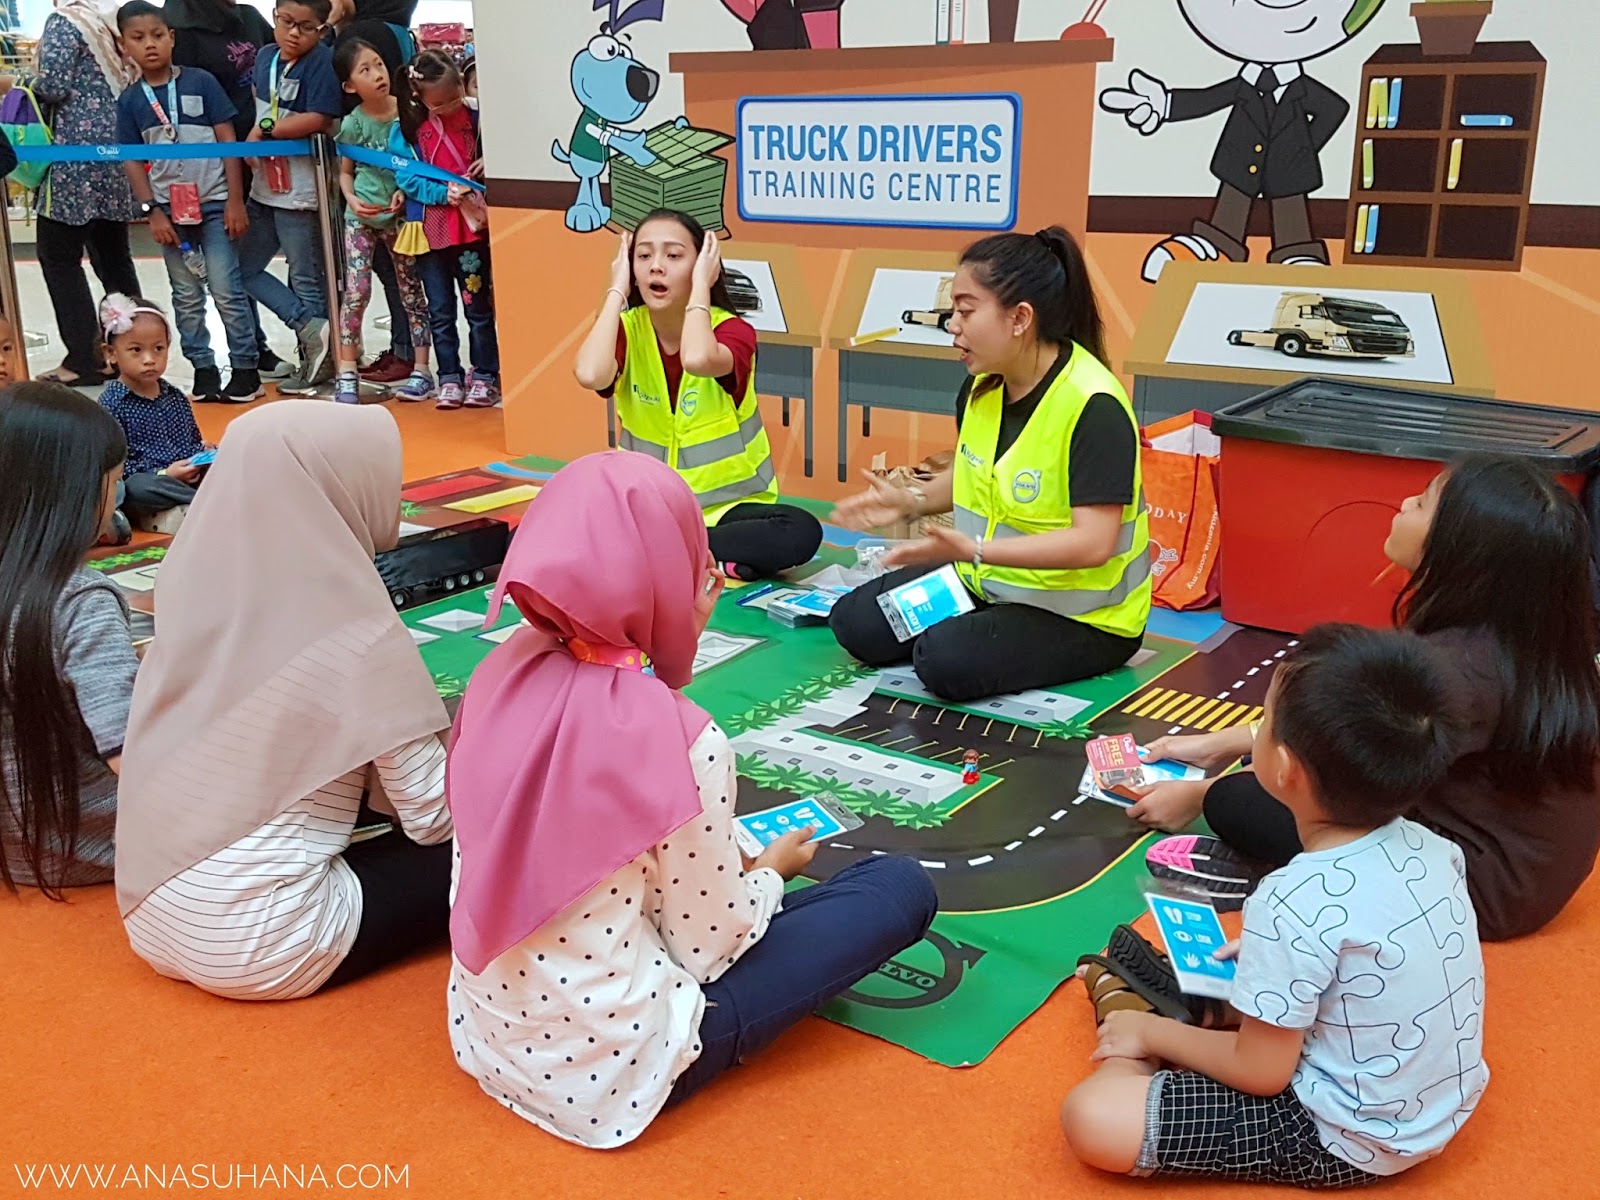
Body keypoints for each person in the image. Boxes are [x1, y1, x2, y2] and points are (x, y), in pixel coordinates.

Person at [446, 450, 937, 1147]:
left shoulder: (496, 676)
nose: (706, 589)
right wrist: (769, 873)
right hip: (613, 1072)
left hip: (488, 1036)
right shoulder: (682, 739)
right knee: (896, 887)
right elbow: (711, 947)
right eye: (696, 571)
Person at [1060, 624, 1487, 1187]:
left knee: (1092, 1117)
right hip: (1438, 1102)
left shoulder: (1290, 900)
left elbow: (1261, 1072)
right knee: (1250, 987)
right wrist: (1275, 963)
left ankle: (1147, 1023)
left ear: (1283, 768)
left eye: (1262, 722)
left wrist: (1148, 1041)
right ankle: (1213, 1008)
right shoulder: (1435, 848)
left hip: (1345, 1136)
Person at [1136, 454, 1600, 941]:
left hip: (1477, 892)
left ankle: (1293, 883)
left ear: (1459, 551)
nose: (1402, 505)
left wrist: (1200, 793)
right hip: (1529, 874)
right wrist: (1223, 743)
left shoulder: (1454, 668)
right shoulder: (1529, 636)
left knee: (1244, 800)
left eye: (1420, 504)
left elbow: (1341, 764)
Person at [115, 401, 453, 999]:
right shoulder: (351, 623)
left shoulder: (191, 590)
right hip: (268, 942)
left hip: (150, 913)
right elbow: (434, 816)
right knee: (507, 849)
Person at [827, 227, 1149, 702]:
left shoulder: (1093, 405)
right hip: (987, 584)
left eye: (965, 309)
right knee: (857, 624)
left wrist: (973, 551)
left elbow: (1093, 543)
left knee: (943, 662)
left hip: (1082, 617)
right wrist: (910, 501)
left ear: (1019, 318)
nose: (951, 324)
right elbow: (976, 472)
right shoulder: (983, 386)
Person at [573, 210, 822, 579]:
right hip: (648, 506)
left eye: (673, 256)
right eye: (643, 256)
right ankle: (707, 558)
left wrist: (702, 288)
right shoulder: (625, 329)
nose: (656, 267)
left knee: (800, 530)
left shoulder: (734, 331)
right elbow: (590, 374)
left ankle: (664, 550)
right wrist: (616, 291)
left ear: (702, 266)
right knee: (573, 510)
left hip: (725, 509)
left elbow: (697, 358)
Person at [0, 381, 137, 896]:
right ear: (76, 493)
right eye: (115, 484)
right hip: (96, 845)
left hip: (14, 847)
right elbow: (131, 751)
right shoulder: (80, 598)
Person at [115, 1, 260, 403]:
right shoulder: (130, 101)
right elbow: (131, 161)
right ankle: (203, 367)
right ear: (124, 45)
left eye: (158, 36)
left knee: (227, 288)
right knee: (186, 295)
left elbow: (228, 141)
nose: (150, 45)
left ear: (172, 38)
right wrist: (152, 210)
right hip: (169, 213)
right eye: (138, 38)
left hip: (215, 204)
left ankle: (245, 366)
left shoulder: (201, 82)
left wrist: (235, 199)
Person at [162, 0, 294, 382]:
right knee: (218, 271)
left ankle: (255, 349)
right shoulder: (179, 28)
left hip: (262, 148)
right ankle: (243, 352)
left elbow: (276, 70)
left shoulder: (249, 18)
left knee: (240, 260)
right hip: (210, 164)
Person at [31, 0, 144, 387]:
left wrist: (27, 84)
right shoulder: (112, 22)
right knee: (114, 259)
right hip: (116, 157)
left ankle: (84, 357)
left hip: (72, 158)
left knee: (59, 257)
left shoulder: (65, 21)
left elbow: (53, 85)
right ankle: (133, 350)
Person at [237, 0, 340, 394]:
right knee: (243, 267)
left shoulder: (323, 63)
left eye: (306, 27)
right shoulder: (265, 58)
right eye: (286, 22)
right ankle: (308, 327)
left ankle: (316, 368)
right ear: (274, 16)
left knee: (306, 277)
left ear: (321, 29)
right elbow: (263, 104)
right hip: (265, 187)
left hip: (302, 191)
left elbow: (319, 118)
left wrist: (263, 130)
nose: (294, 32)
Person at [393, 51, 498, 409]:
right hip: (430, 232)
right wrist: (443, 193)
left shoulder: (478, 118)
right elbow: (406, 177)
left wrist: (491, 161)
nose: (451, 106)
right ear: (419, 98)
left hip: (471, 230)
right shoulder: (407, 130)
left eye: (456, 97)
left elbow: (497, 153)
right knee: (439, 309)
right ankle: (449, 377)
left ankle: (485, 375)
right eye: (440, 104)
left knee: (477, 308)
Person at [332, 38, 432, 404]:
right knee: (357, 291)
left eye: (378, 64)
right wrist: (353, 200)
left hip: (401, 220)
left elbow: (419, 167)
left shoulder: (408, 113)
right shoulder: (353, 123)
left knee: (411, 292)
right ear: (349, 85)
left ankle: (422, 370)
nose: (377, 75)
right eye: (365, 70)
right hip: (360, 219)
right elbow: (345, 173)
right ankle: (346, 372)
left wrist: (405, 194)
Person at [96, 294, 206, 531]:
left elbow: (192, 442)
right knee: (137, 488)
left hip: (185, 479)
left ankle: (199, 501)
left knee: (227, 460)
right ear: (111, 353)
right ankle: (206, 503)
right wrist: (166, 473)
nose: (149, 360)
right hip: (148, 484)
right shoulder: (112, 403)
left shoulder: (175, 397)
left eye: (158, 349)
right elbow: (115, 469)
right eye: (136, 350)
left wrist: (201, 457)